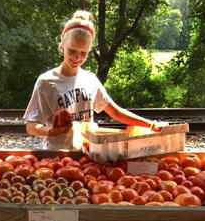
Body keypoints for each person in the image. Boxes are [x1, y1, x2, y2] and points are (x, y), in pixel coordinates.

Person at [24, 10, 166, 150]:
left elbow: (116, 112)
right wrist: (51, 132)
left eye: (83, 53)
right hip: (58, 156)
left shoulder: (90, 80)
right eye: (72, 50)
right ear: (63, 44)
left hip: (87, 154)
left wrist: (151, 124)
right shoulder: (46, 82)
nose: (77, 57)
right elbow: (31, 126)